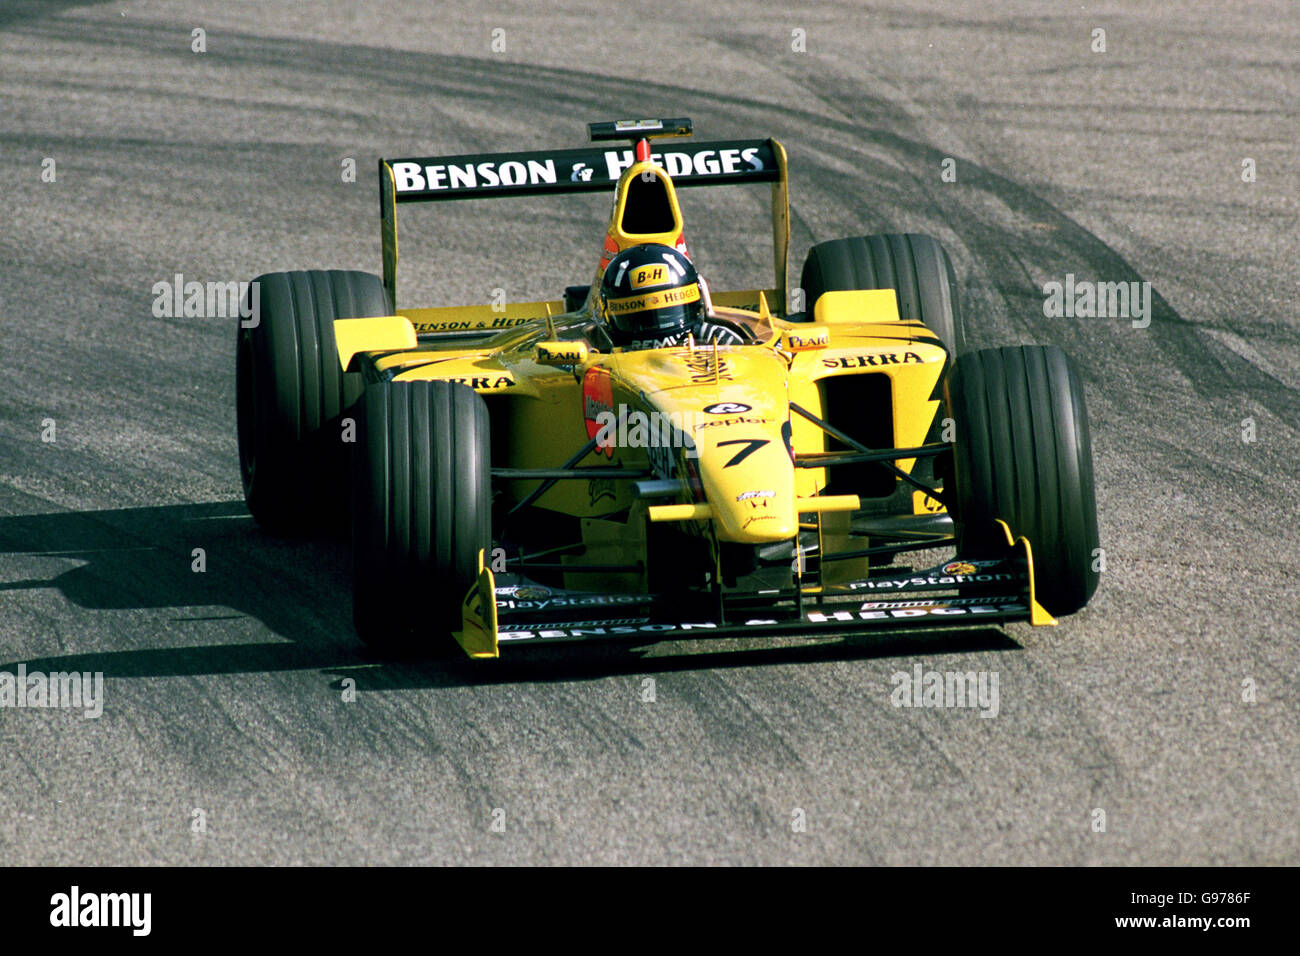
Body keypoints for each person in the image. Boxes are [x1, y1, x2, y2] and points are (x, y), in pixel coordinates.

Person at [598, 244, 746, 350]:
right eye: (643, 318)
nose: (657, 324)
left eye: (668, 313)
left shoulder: (720, 339)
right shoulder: (603, 347)